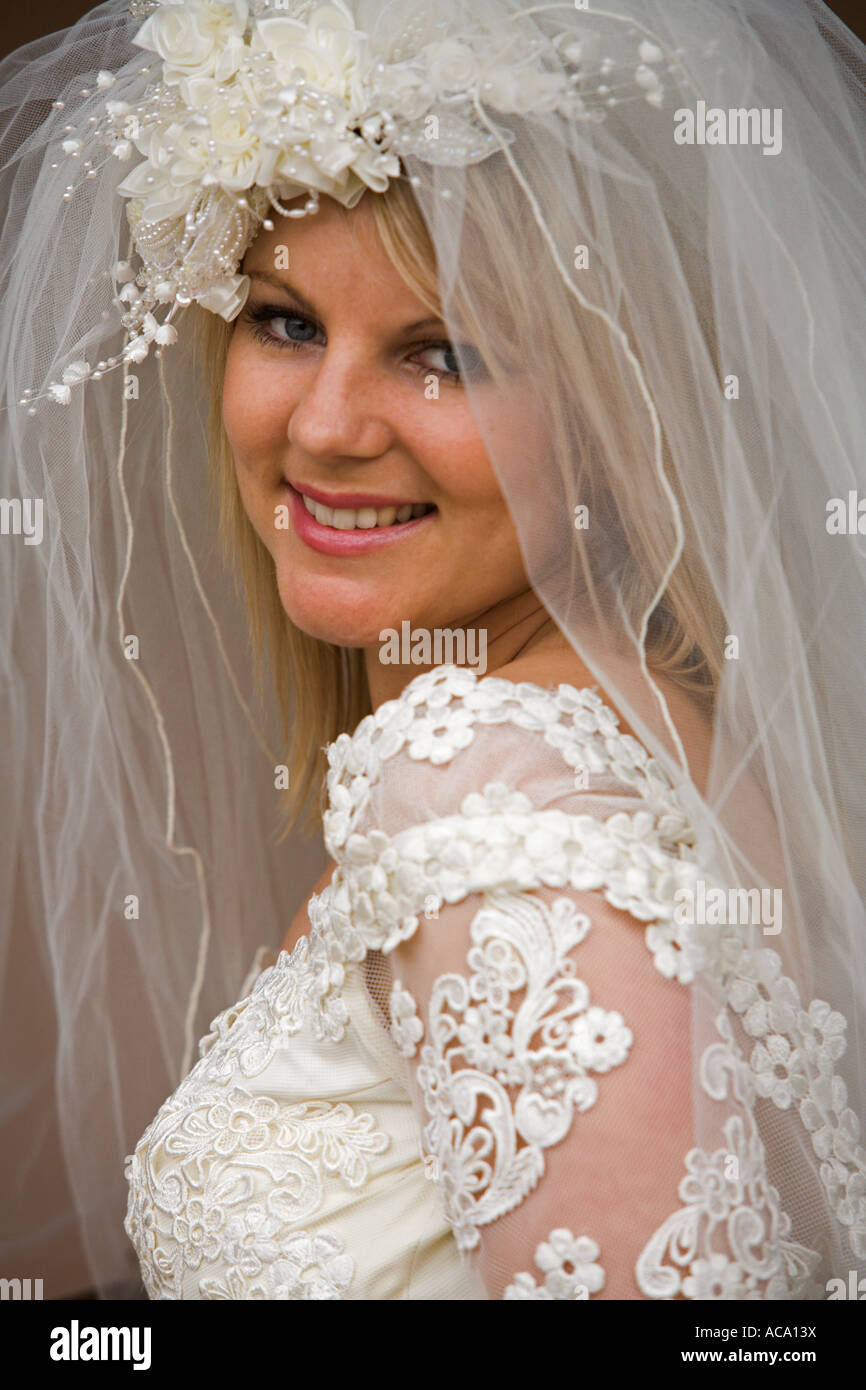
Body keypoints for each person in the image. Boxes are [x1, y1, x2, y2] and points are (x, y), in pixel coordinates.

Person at [0, 0, 864, 1301]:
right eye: (285, 321)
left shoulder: (482, 791)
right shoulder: (644, 724)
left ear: (618, 415)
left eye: (443, 355)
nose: (328, 426)